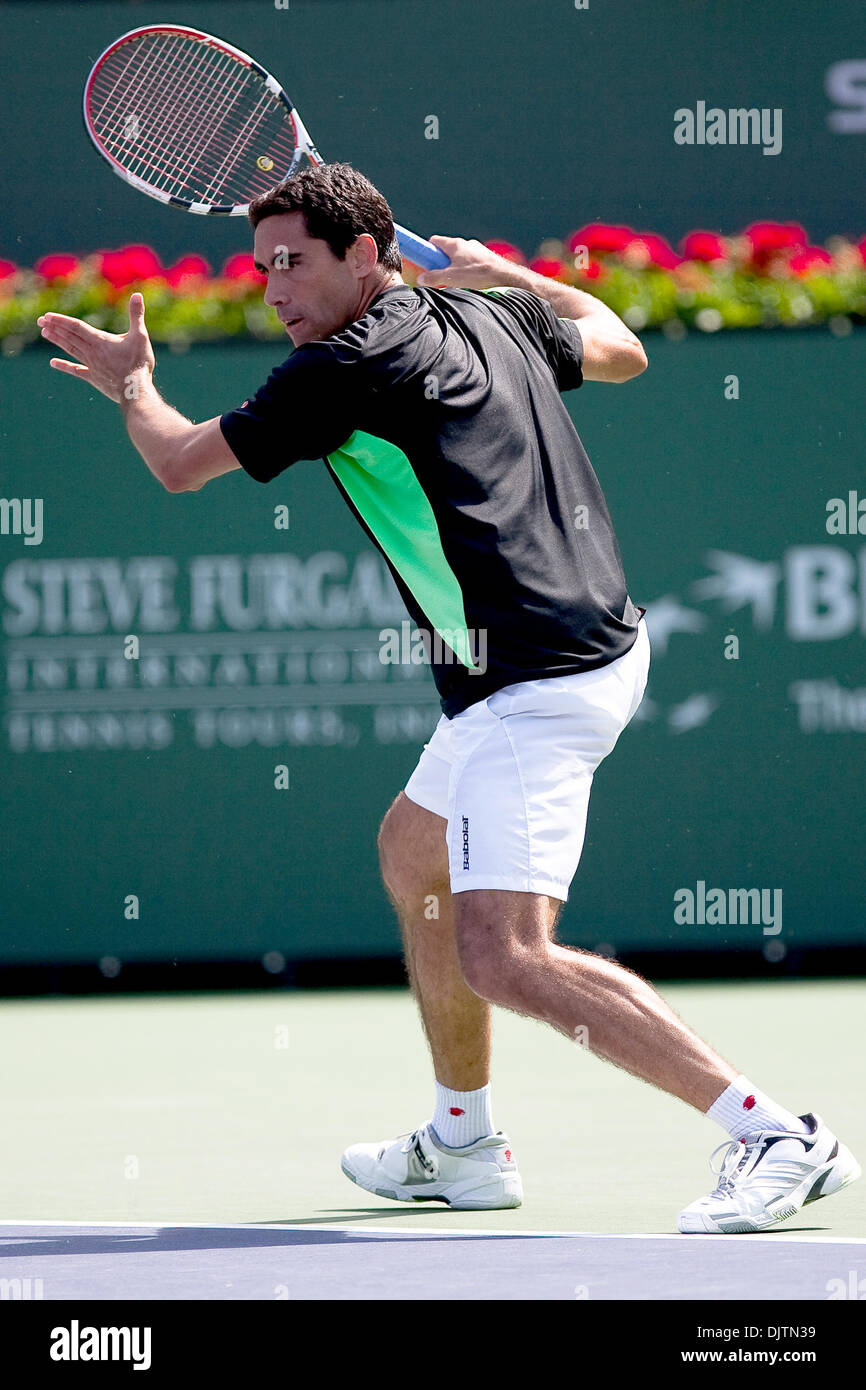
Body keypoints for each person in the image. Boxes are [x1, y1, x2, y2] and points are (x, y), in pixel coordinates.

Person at [37, 163, 860, 1233]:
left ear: (363, 253)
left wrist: (130, 383)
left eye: (294, 261)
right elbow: (620, 343)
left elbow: (181, 464)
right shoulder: (486, 311)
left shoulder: (334, 370)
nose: (273, 287)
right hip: (582, 645)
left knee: (502, 952)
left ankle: (771, 1133)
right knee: (412, 851)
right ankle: (462, 1140)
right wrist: (502, 271)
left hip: (534, 675)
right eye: (261, 265)